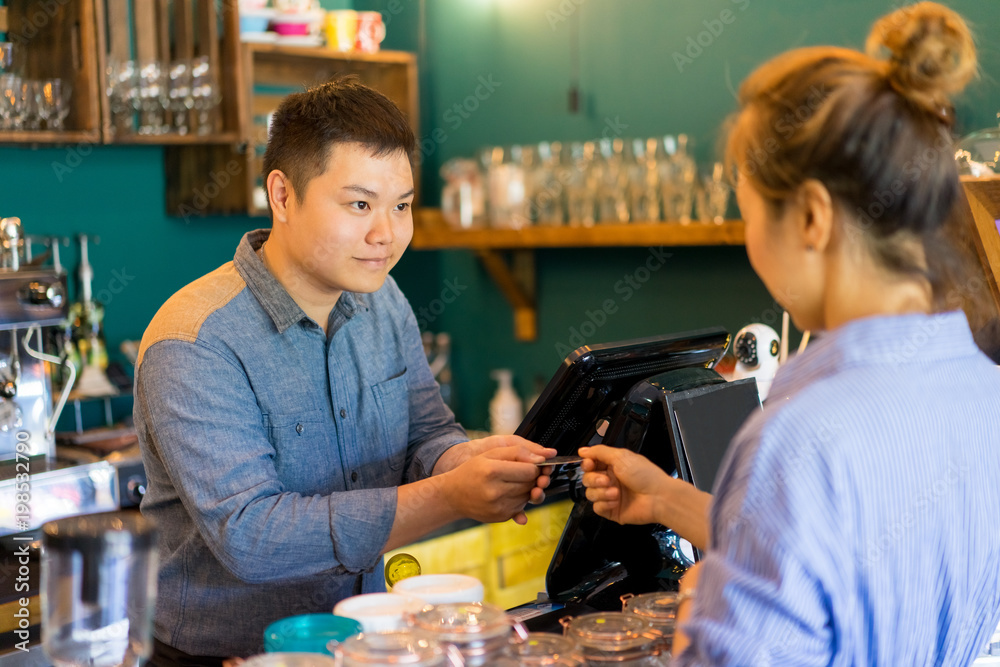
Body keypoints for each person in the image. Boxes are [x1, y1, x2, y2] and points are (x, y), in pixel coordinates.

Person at [580, 3, 1000, 665]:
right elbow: (840, 554)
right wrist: (665, 498)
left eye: (748, 214)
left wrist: (698, 605)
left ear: (810, 218)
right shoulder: (983, 390)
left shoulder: (801, 437)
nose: (749, 241)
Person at [134, 78, 554, 664]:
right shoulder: (195, 340)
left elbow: (427, 435)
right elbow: (251, 536)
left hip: (363, 644)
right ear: (283, 196)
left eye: (401, 206)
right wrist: (451, 495)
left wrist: (471, 461)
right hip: (225, 657)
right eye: (360, 205)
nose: (387, 234)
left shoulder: (385, 301)